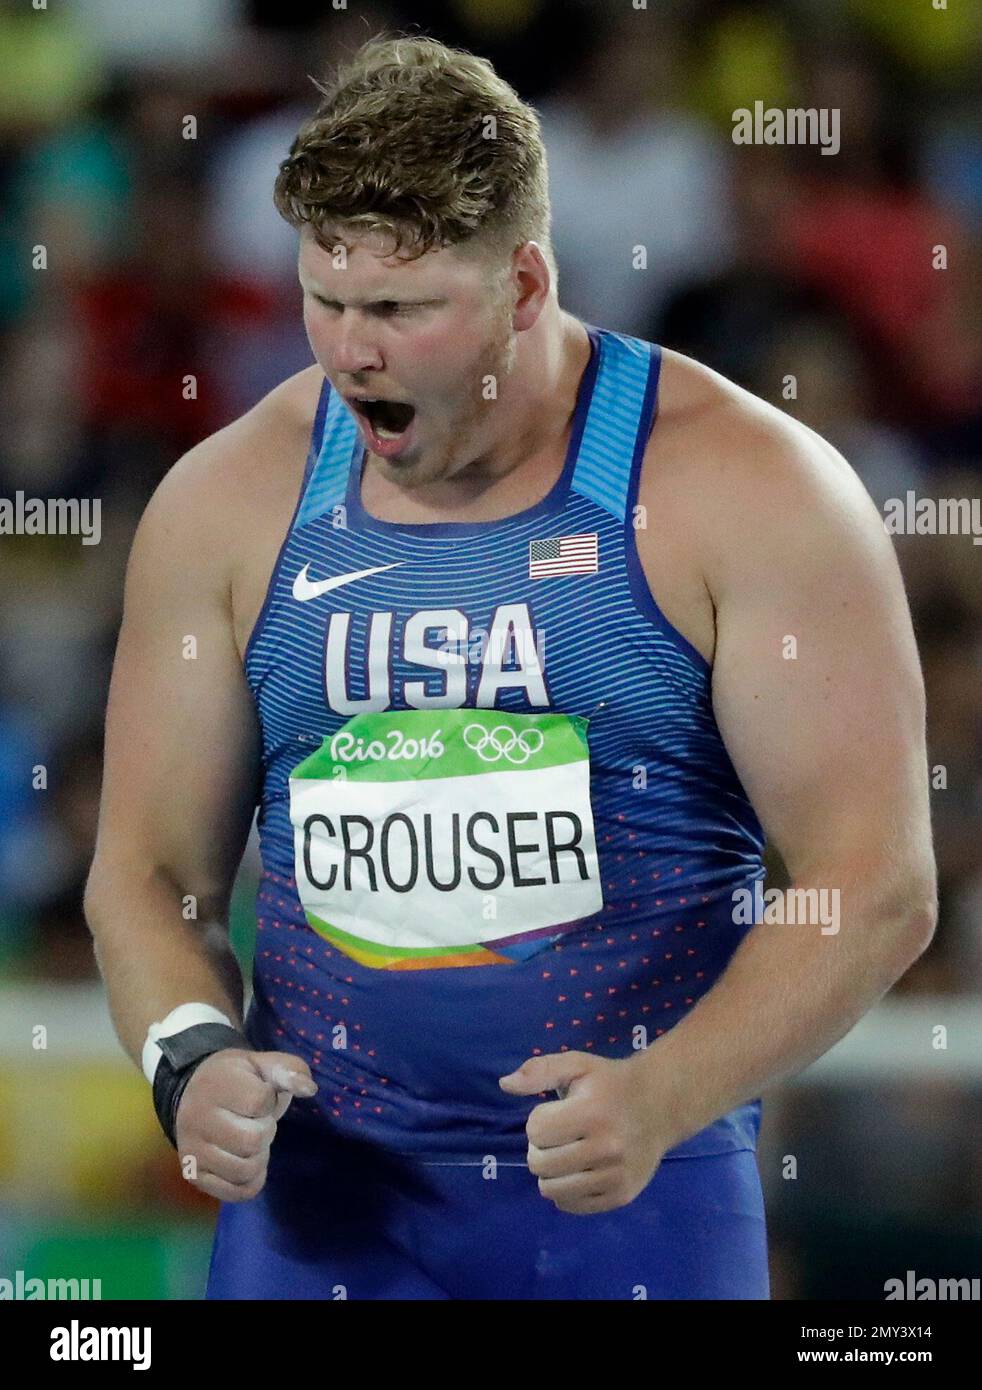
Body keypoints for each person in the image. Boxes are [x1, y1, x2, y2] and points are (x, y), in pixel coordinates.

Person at [84, 35, 937, 1301]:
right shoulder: (231, 501)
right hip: (323, 1219)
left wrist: (664, 1092)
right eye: (326, 299)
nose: (349, 354)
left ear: (526, 285)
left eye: (401, 311)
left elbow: (873, 883)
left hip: (634, 1198)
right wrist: (190, 1052)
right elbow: (147, 874)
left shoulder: (746, 493)